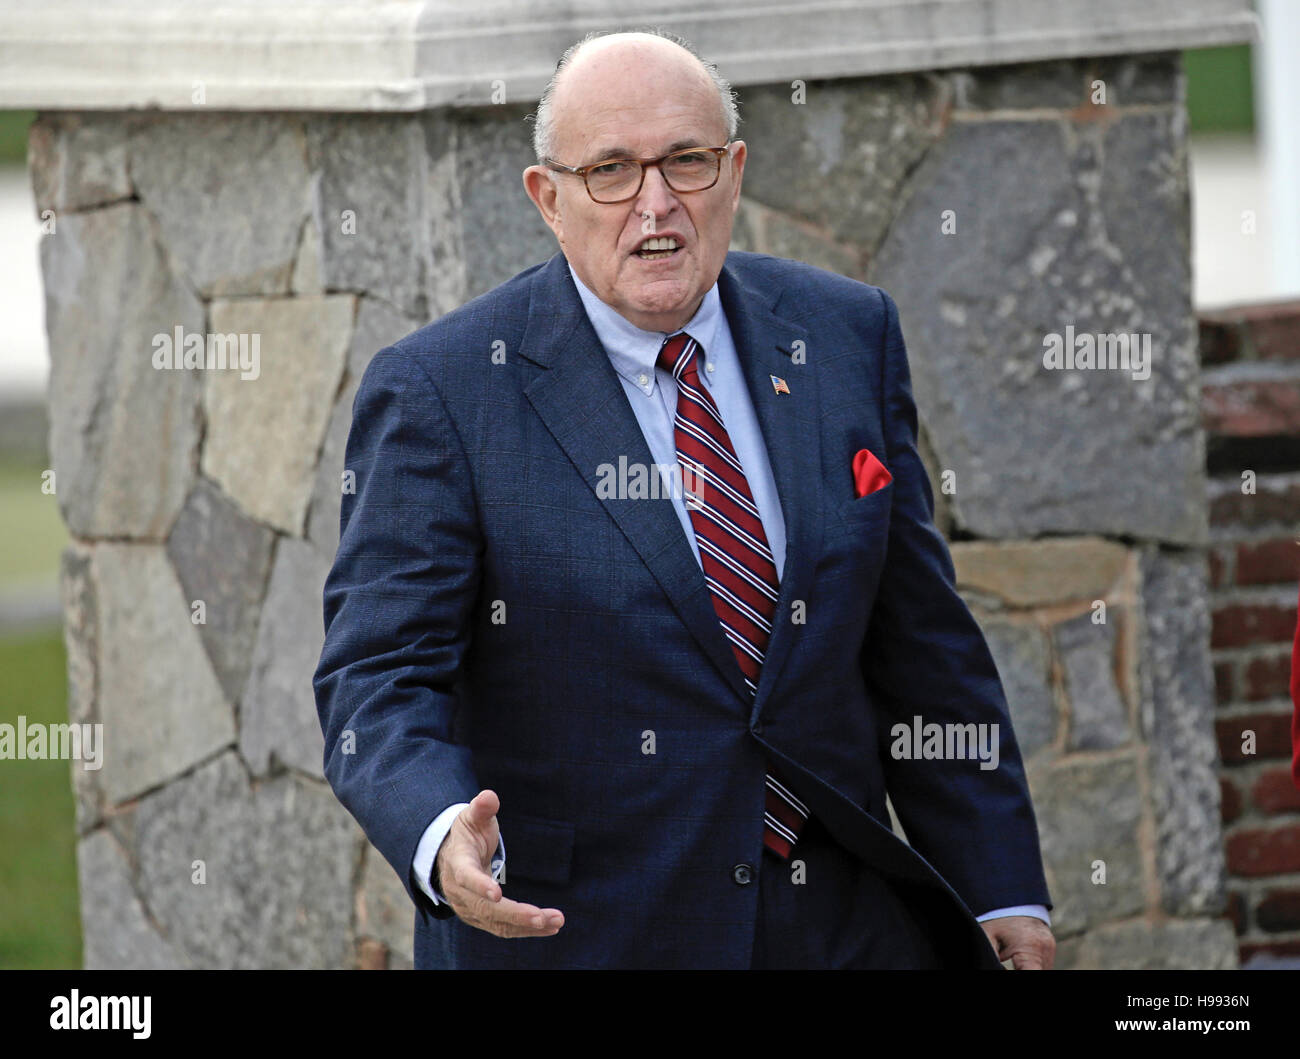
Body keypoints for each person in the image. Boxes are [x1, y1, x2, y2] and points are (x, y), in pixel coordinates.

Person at [313, 28, 1055, 969]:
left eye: (687, 163)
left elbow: (924, 648)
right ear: (550, 198)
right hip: (589, 937)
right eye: (611, 171)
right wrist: (440, 827)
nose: (655, 204)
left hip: (845, 933)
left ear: (734, 171)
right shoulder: (444, 391)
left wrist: (1001, 887)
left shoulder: (844, 334)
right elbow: (376, 677)